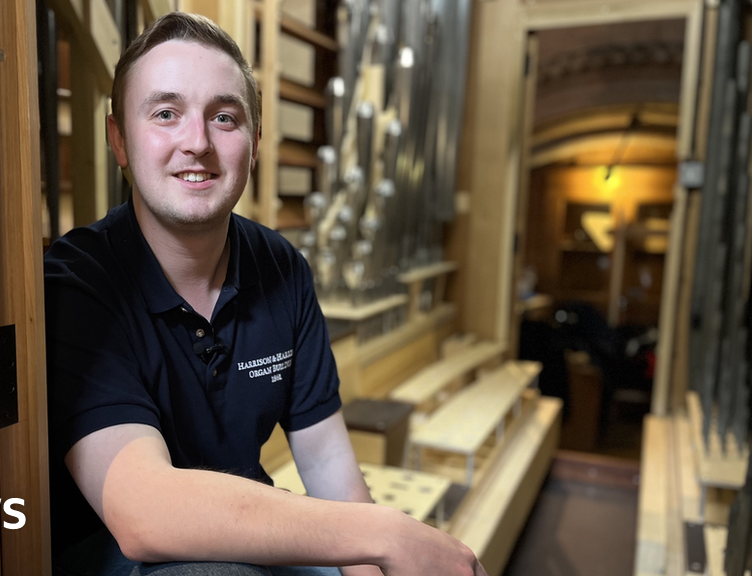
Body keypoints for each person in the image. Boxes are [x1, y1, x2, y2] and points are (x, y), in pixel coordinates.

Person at [44, 11, 486, 576]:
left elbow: (327, 461)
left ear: (253, 143)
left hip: (246, 539)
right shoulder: (77, 282)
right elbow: (144, 514)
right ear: (119, 140)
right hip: (121, 556)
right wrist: (386, 532)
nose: (197, 142)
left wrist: (381, 560)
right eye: (165, 113)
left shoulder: (281, 267)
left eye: (223, 118)